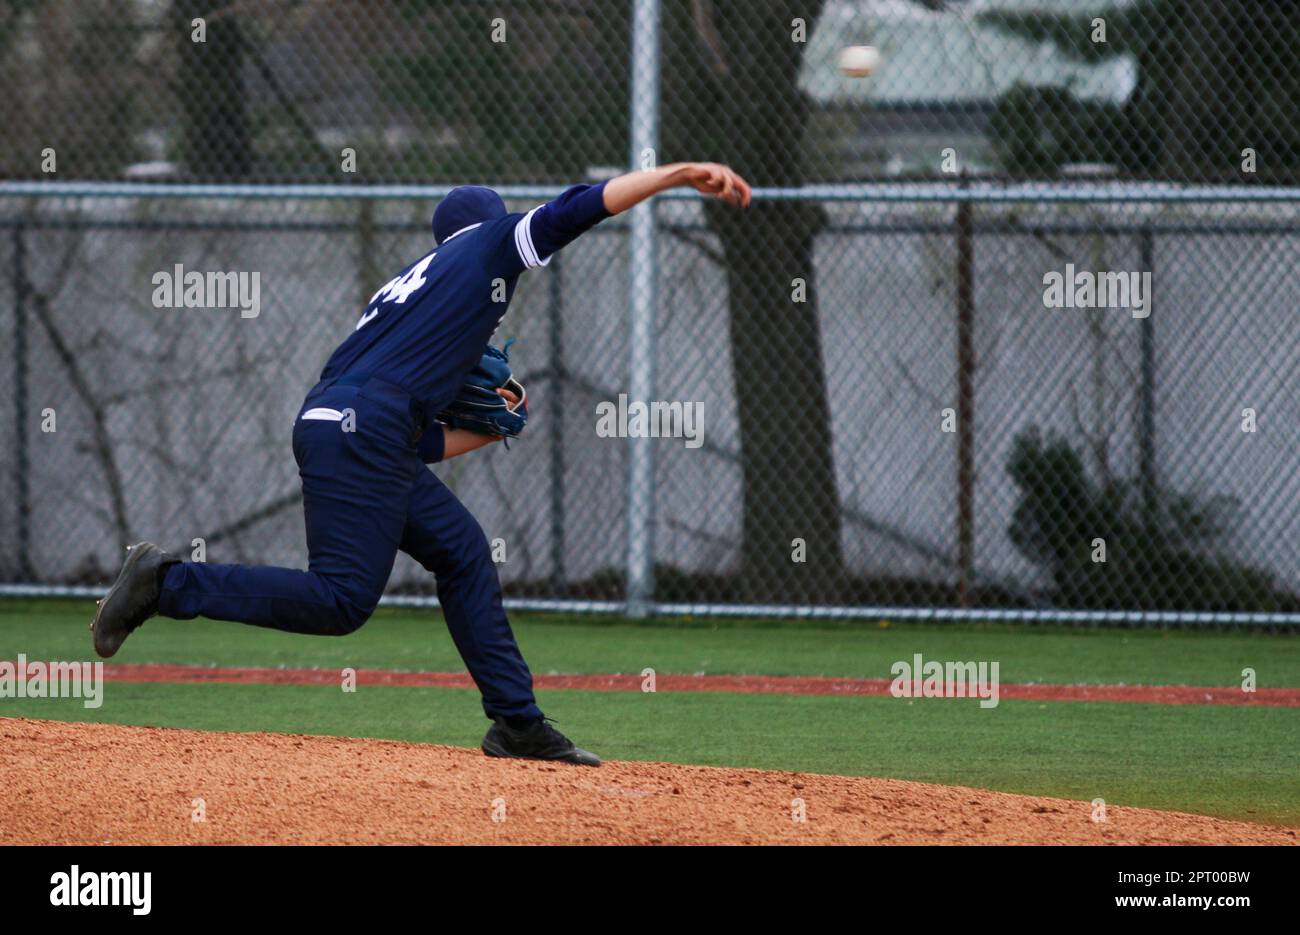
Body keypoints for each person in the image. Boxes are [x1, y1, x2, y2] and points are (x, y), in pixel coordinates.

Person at [92, 162, 752, 766]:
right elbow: (576, 208)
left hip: (339, 424)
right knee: (341, 599)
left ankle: (517, 723)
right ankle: (168, 583)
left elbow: (418, 444)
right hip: (366, 431)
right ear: (489, 222)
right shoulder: (487, 247)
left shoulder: (412, 289)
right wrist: (675, 175)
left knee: (463, 550)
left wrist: (489, 432)